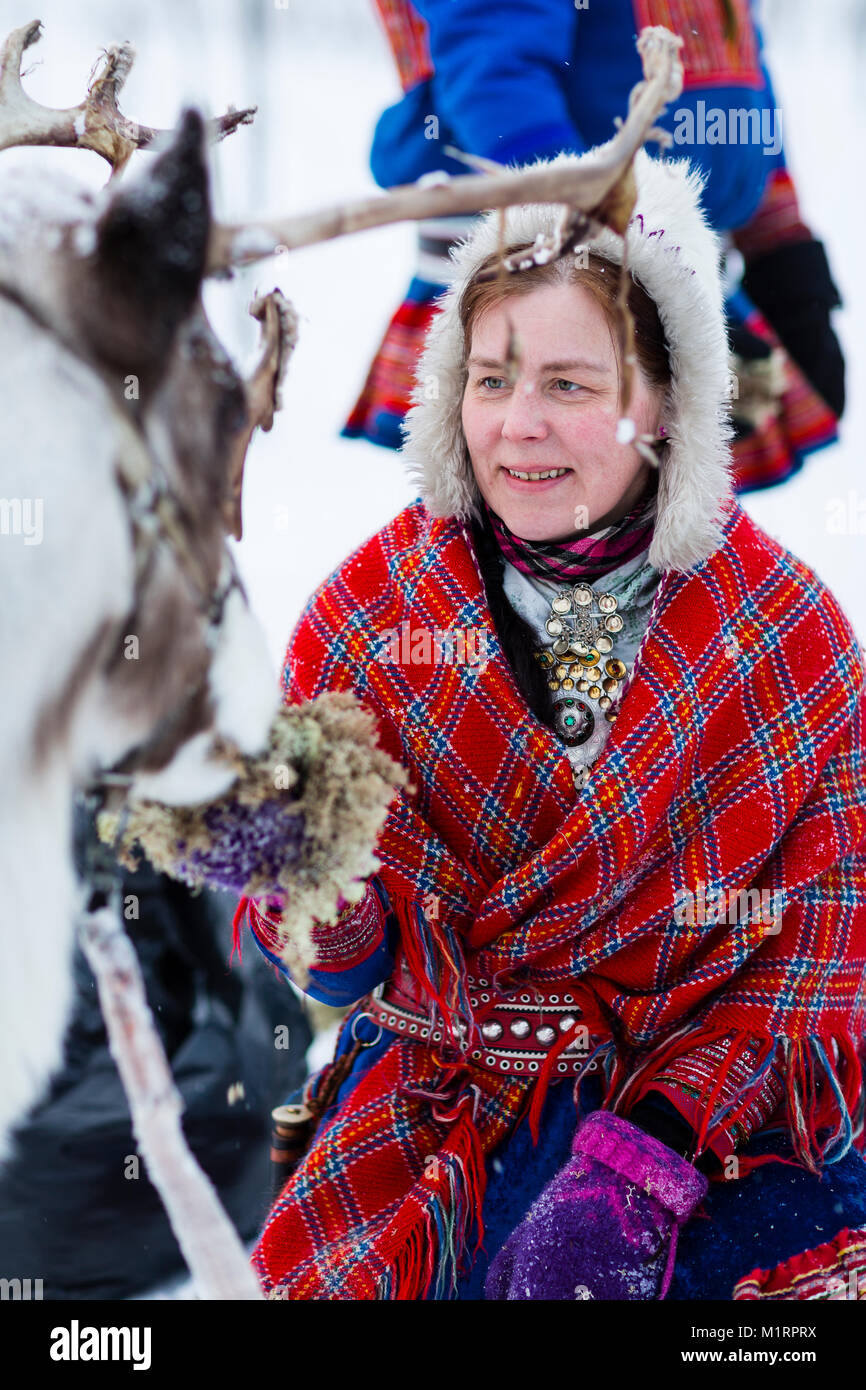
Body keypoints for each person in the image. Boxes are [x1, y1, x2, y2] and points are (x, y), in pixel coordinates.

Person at [243, 146, 866, 1301]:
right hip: (437, 1097)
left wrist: (637, 1166)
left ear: (663, 401)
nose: (516, 427)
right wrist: (300, 885)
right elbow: (341, 977)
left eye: (569, 386)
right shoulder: (367, 621)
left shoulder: (784, 635)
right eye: (490, 379)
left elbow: (819, 950)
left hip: (711, 1108)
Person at [344, 0, 845, 494]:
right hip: (545, 269)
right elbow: (496, 72)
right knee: (538, 509)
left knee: (662, 531)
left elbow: (741, 84)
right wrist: (589, 256)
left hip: (671, 258)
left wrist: (782, 256)